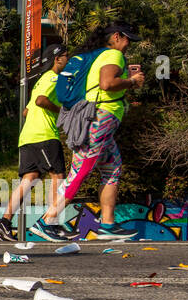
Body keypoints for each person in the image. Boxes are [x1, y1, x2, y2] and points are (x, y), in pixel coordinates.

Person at [34, 23, 144, 242]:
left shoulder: (99, 55)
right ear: (116, 36)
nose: (129, 43)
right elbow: (107, 83)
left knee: (112, 168)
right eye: (127, 38)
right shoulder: (113, 55)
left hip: (101, 121)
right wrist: (131, 82)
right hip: (99, 119)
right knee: (81, 170)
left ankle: (107, 225)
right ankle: (47, 221)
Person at [0, 45, 69, 243]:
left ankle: (4, 221)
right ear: (57, 59)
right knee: (58, 176)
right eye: (66, 56)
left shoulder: (40, 81)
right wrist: (60, 111)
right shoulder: (54, 78)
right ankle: (51, 222)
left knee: (30, 178)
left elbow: (26, 112)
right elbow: (41, 101)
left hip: (27, 136)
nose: (68, 59)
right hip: (44, 135)